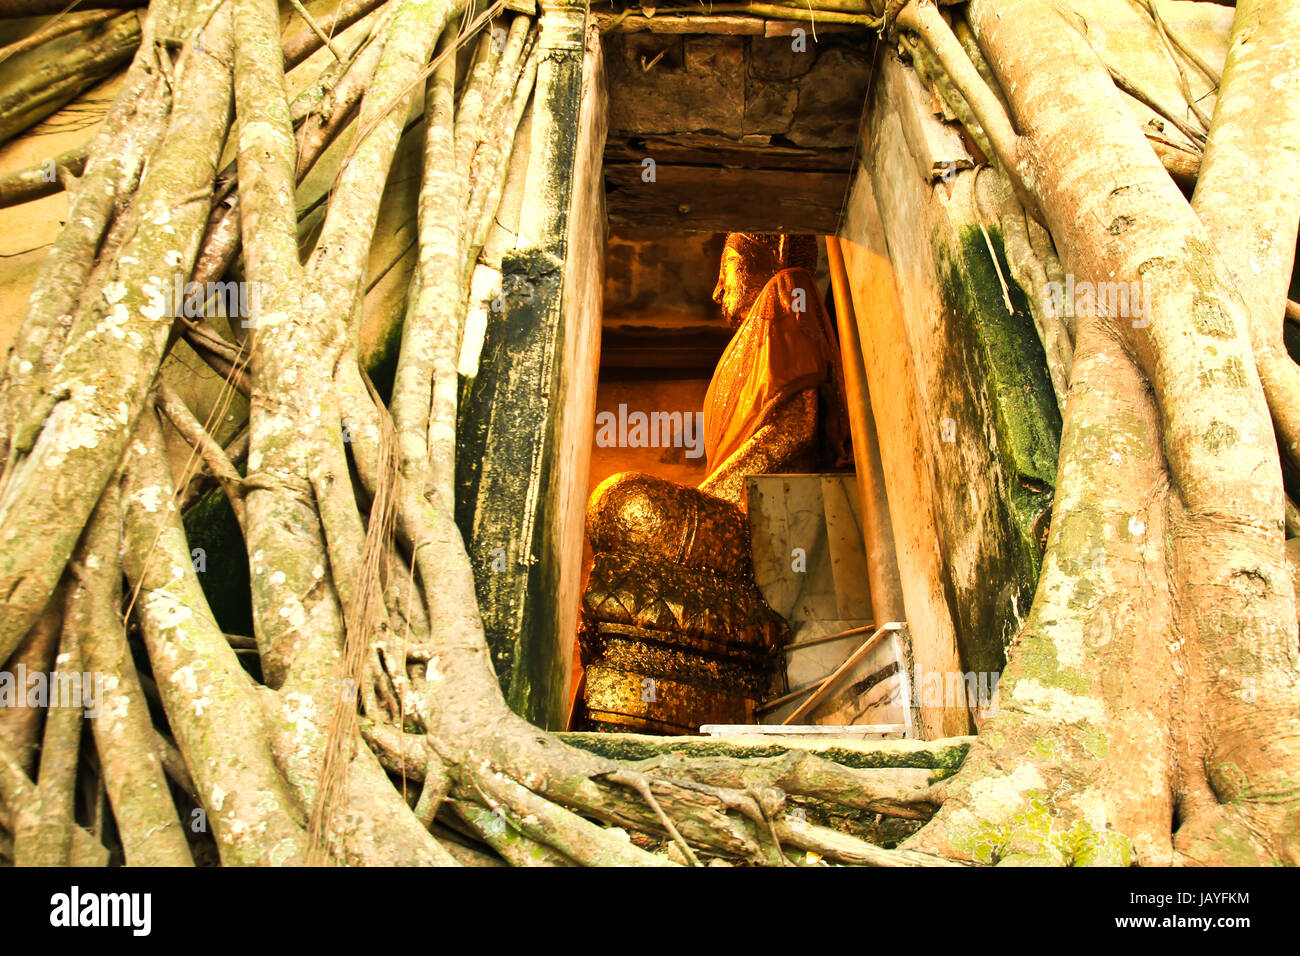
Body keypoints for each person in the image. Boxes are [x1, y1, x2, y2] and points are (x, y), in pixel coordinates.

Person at [576, 233, 853, 733]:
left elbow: (797, 428)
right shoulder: (745, 338)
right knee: (619, 509)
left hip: (774, 513)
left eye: (727, 267)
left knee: (623, 500)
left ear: (767, 257)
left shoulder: (786, 290)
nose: (717, 291)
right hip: (743, 510)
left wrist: (708, 499)